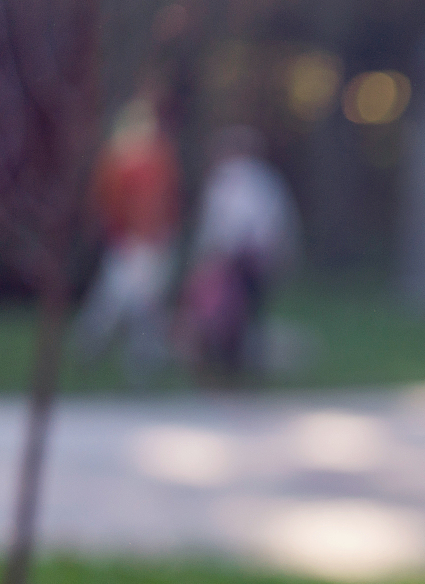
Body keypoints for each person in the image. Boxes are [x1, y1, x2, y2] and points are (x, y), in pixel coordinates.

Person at [180, 125, 299, 379]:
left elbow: (216, 224)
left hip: (231, 258)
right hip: (256, 258)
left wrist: (206, 256)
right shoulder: (267, 179)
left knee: (227, 314)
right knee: (249, 313)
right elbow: (277, 222)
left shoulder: (225, 179)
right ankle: (243, 365)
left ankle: (228, 366)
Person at [74, 96, 180, 381]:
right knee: (126, 301)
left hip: (145, 241)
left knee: (136, 301)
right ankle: (109, 351)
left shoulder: (149, 158)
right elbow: (110, 201)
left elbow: (165, 201)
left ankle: (132, 358)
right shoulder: (124, 160)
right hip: (133, 242)